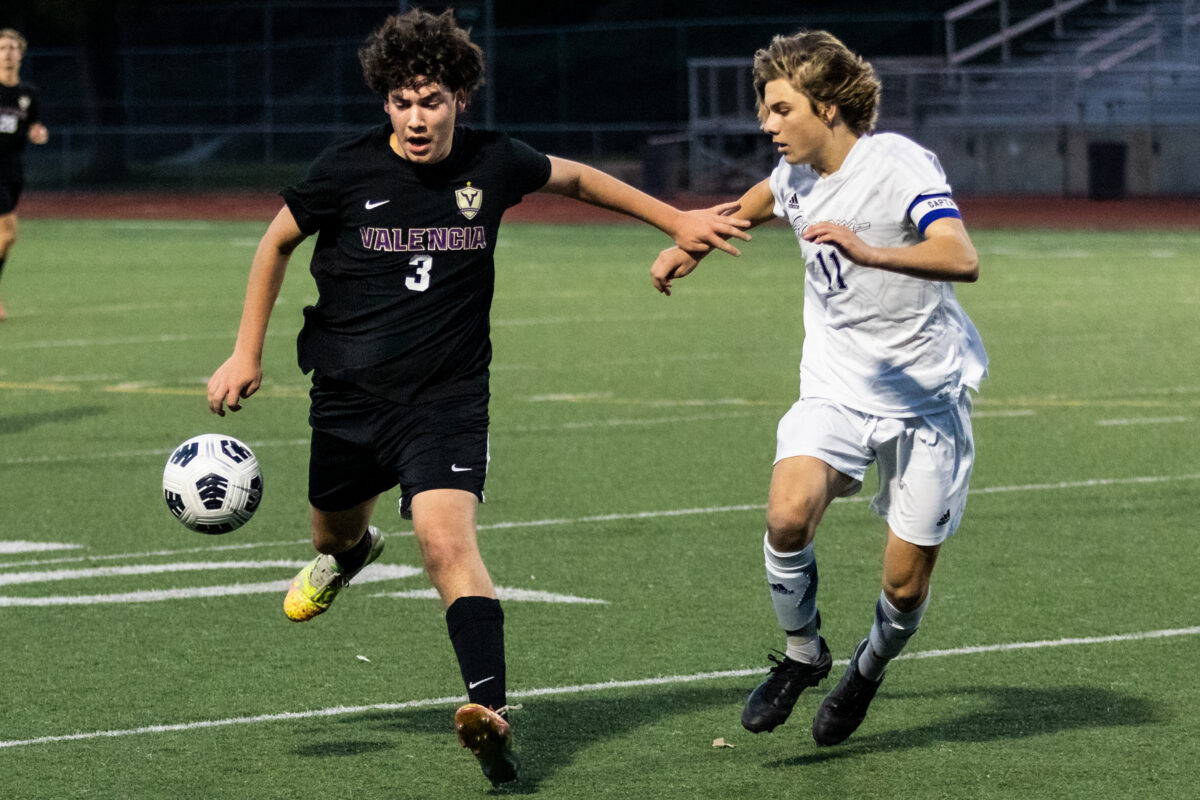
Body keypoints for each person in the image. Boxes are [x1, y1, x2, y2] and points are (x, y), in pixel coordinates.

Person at [205, 9, 749, 788]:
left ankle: (489, 712)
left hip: (447, 398)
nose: (417, 117)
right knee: (330, 532)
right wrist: (245, 351)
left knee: (445, 543)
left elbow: (579, 178)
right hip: (349, 395)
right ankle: (352, 556)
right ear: (383, 103)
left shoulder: (495, 162)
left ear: (461, 96)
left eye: (431, 99)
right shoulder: (346, 170)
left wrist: (675, 219)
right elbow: (275, 242)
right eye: (401, 101)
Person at [651, 30, 987, 747]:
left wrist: (871, 251)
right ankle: (804, 655)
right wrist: (690, 246)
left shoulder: (897, 165)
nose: (766, 125)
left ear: (828, 107)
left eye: (779, 109)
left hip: (925, 400)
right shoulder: (793, 175)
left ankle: (866, 669)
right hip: (835, 388)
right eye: (764, 110)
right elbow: (757, 203)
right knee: (786, 517)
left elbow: (961, 255)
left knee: (902, 588)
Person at [0, 28, 48, 322]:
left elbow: (32, 126)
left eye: (12, 48)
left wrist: (38, 133)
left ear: (21, 54)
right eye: (2, 48)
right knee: (9, 230)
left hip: (12, 171)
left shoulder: (28, 94)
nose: (7, 53)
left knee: (5, 239)